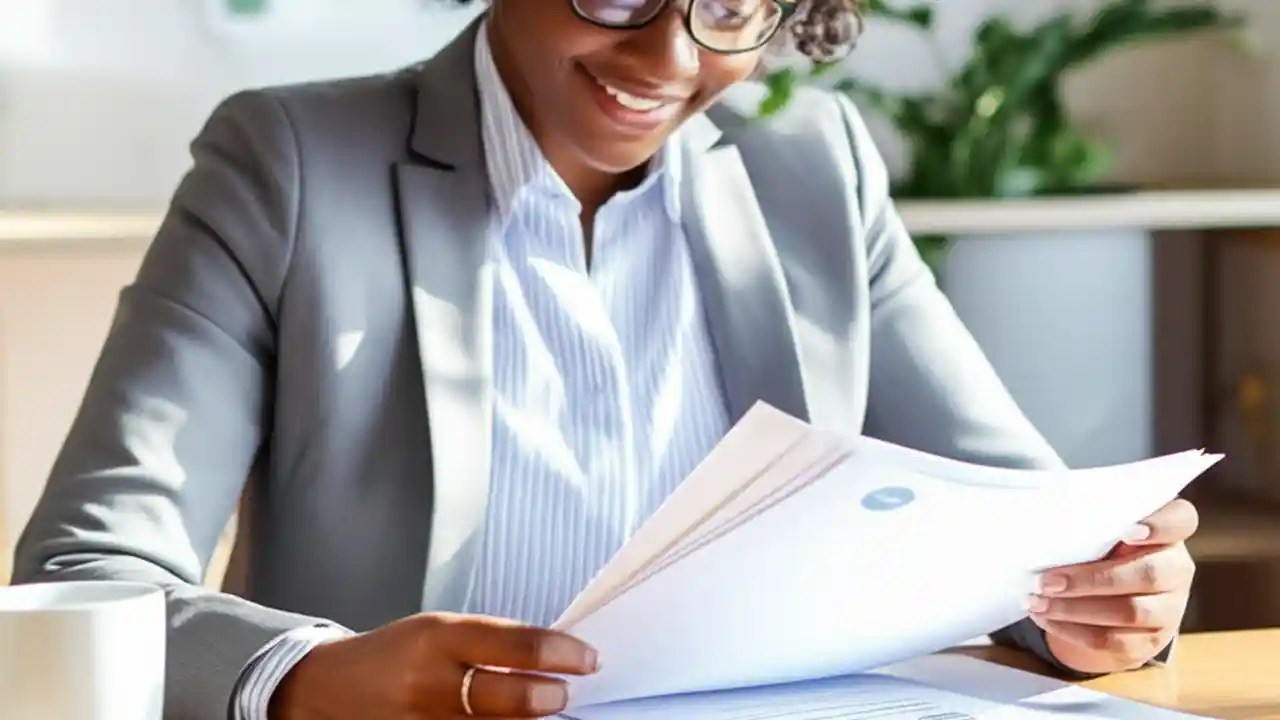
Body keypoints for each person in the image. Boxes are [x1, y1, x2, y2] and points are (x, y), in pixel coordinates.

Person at [13, 0, 1199, 717]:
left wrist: (1098, 601)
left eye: (729, 8)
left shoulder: (810, 166)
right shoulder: (291, 163)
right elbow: (85, 566)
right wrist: (303, 678)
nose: (669, 61)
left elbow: (1021, 522)